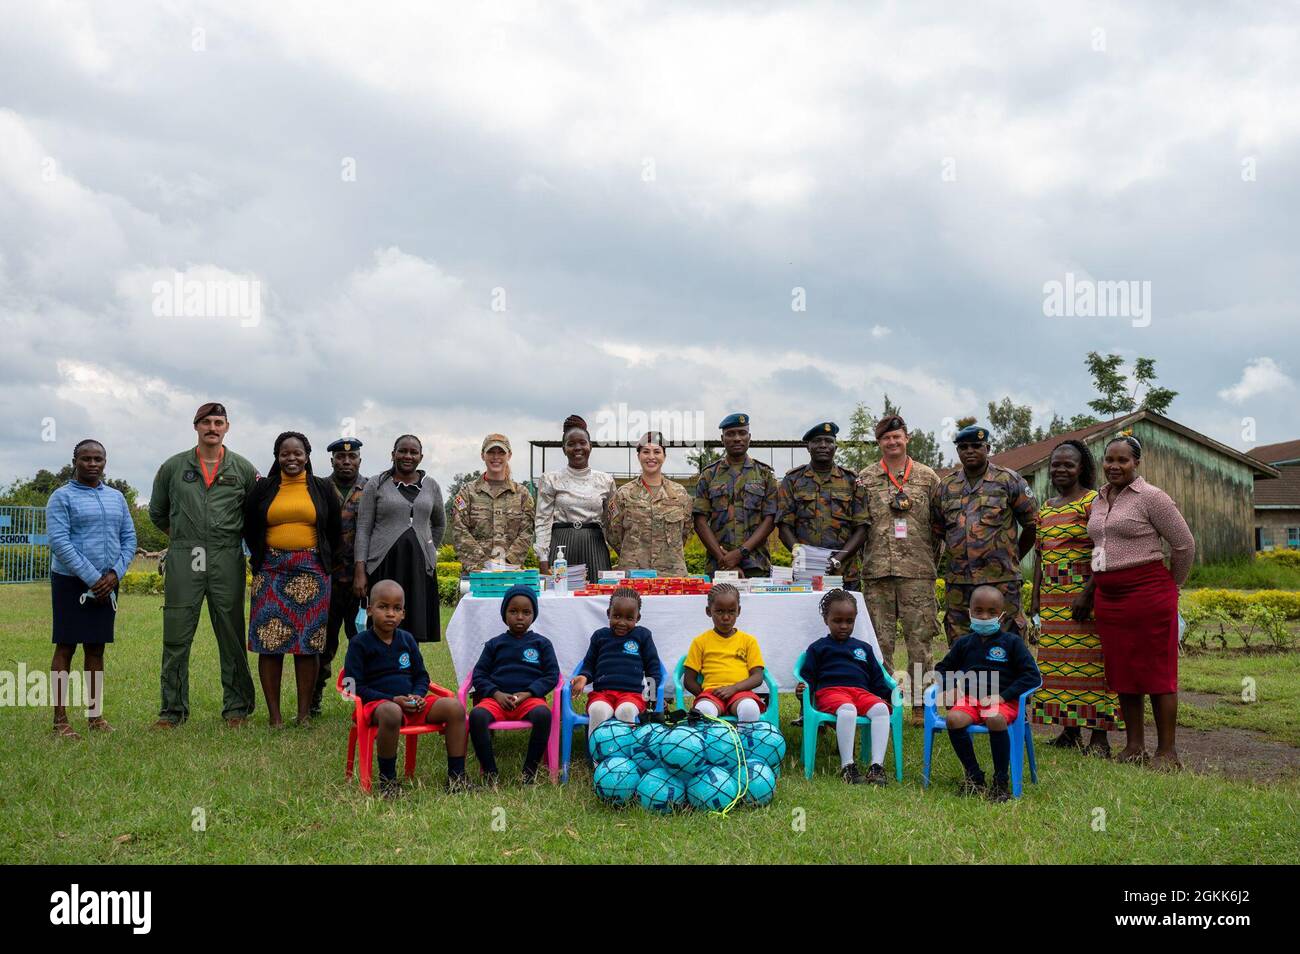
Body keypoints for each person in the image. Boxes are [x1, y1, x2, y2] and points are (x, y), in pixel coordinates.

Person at [1088, 434, 1194, 772]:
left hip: (1148, 594)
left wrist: (1172, 586)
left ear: (1137, 463)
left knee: (1157, 672)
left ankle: (1167, 752)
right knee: (1123, 670)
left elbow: (1184, 545)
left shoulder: (1152, 498)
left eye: (1122, 460)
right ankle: (1134, 746)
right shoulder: (1099, 500)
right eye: (1109, 460)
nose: (1114, 466)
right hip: (1109, 598)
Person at [149, 402, 259, 728]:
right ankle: (172, 711)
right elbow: (158, 512)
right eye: (206, 422)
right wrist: (185, 538)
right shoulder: (173, 467)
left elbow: (254, 516)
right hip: (186, 556)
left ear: (227, 427)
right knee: (176, 634)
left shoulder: (241, 468)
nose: (212, 427)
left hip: (227, 555)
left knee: (231, 632)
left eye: (219, 422)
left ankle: (237, 708)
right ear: (195, 426)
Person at [243, 431, 342, 727]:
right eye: (285, 454)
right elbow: (249, 524)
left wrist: (328, 565)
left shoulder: (323, 488)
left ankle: (303, 715)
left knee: (307, 644)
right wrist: (261, 557)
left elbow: (335, 530)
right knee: (269, 642)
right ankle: (275, 717)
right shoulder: (264, 489)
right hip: (271, 570)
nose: (292, 459)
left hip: (312, 569)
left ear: (307, 456)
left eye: (297, 453)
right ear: (277, 457)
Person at [1029, 440, 1121, 756]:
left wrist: (1088, 592)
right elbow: (1041, 555)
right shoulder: (1047, 507)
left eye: (1068, 464)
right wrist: (1036, 598)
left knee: (1091, 667)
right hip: (1053, 601)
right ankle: (1070, 732)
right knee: (1058, 667)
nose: (1061, 470)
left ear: (1082, 467)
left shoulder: (1093, 502)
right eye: (1056, 464)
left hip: (1085, 597)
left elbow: (1103, 549)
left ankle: (1099, 739)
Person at [343, 579, 470, 797]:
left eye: (397, 608)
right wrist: (392, 700)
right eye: (383, 607)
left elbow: (421, 676)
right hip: (380, 706)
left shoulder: (407, 640)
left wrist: (418, 695)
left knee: (455, 708)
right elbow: (353, 686)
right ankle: (389, 783)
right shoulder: (359, 643)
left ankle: (457, 778)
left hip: (412, 703)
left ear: (403, 613)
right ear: (370, 610)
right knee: (392, 712)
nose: (390, 613)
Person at [46, 439, 136, 738]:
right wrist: (91, 578)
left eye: (98, 459)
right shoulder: (61, 497)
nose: (93, 464)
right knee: (66, 646)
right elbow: (60, 542)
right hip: (72, 583)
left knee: (96, 649)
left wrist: (114, 573)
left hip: (107, 583)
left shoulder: (116, 497)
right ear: (75, 460)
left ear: (105, 462)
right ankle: (60, 720)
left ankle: (95, 716)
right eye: (86, 459)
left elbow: (129, 538)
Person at [856, 414, 941, 725]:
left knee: (920, 640)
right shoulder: (864, 479)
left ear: (907, 438)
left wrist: (929, 560)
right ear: (879, 443)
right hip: (877, 571)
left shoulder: (928, 477)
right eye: (886, 438)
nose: (892, 442)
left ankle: (921, 703)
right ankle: (884, 699)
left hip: (917, 571)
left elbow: (939, 525)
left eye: (897, 437)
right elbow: (859, 525)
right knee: (879, 641)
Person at [934, 585, 1042, 802]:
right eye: (979, 611)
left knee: (994, 717)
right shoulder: (963, 643)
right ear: (970, 613)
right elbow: (941, 669)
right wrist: (952, 686)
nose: (984, 616)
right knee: (954, 719)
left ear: (1001, 616)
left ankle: (1001, 782)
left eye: (991, 612)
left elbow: (1032, 676)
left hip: (1003, 700)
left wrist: (1003, 696)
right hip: (970, 699)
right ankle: (974, 776)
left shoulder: (1012, 643)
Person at [931, 423, 1037, 640]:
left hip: (1002, 580)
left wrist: (1015, 554)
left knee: (1008, 639)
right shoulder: (945, 486)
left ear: (988, 448)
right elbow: (938, 529)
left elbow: (1033, 524)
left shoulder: (1009, 480)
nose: (969, 451)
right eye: (963, 447)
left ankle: (1007, 676)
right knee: (960, 641)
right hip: (960, 582)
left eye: (976, 446)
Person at [353, 435, 445, 643]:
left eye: (413, 452)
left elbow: (439, 524)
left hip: (418, 568)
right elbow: (364, 529)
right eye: (402, 451)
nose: (408, 456)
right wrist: (360, 569)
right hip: (384, 565)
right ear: (393, 454)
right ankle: (382, 670)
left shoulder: (431, 486)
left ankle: (408, 669)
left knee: (413, 627)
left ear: (421, 457)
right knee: (382, 626)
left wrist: (428, 550)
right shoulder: (376, 484)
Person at [796, 589, 892, 785]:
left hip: (861, 693)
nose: (843, 626)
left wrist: (892, 695)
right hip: (831, 693)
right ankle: (847, 766)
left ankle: (876, 767)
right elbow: (808, 678)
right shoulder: (819, 648)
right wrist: (802, 692)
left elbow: (877, 678)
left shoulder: (864, 648)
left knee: (882, 709)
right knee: (847, 711)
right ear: (826, 620)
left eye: (849, 621)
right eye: (837, 621)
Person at [468, 585, 560, 785]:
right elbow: (479, 675)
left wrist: (528, 693)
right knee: (476, 716)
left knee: (544, 715)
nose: (520, 617)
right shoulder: (494, 644)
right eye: (513, 611)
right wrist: (496, 694)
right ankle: (490, 773)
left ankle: (529, 772)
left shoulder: (542, 644)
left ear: (533, 615)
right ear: (504, 615)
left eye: (526, 612)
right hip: (497, 700)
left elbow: (552, 675)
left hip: (529, 699)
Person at [311, 437, 368, 716]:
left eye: (352, 457)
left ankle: (360, 700)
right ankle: (313, 700)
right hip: (326, 579)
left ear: (359, 460)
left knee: (360, 642)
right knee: (323, 643)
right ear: (332, 460)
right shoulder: (319, 487)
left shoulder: (370, 489)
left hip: (361, 582)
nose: (347, 462)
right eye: (341, 458)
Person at [777, 422, 869, 587]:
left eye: (828, 441)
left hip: (845, 573)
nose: (823, 446)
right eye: (817, 441)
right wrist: (804, 559)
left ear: (835, 447)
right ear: (808, 446)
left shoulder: (851, 481)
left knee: (845, 613)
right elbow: (784, 527)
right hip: (805, 572)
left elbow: (861, 529)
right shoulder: (792, 480)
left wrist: (836, 561)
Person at [692, 412, 778, 577]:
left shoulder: (765, 474)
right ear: (722, 439)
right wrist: (723, 559)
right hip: (719, 564)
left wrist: (740, 553)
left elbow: (770, 519)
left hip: (757, 564)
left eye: (742, 433)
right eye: (730, 434)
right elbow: (700, 522)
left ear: (749, 437)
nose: (737, 438)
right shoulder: (709, 475)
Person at [535, 415, 615, 583]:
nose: (577, 448)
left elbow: (611, 523)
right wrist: (543, 559)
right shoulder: (550, 479)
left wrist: (617, 553)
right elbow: (543, 520)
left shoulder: (605, 481)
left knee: (598, 598)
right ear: (564, 449)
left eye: (582, 443)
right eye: (571, 444)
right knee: (558, 598)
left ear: (590, 446)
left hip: (595, 546)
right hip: (560, 547)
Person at [570, 587, 663, 732]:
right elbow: (589, 664)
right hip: (602, 694)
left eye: (629, 618)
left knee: (626, 711)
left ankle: (625, 750)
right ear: (609, 613)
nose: (622, 622)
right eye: (617, 616)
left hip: (631, 695)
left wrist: (653, 696)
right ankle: (598, 751)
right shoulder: (600, 636)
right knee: (598, 710)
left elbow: (653, 669)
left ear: (637, 618)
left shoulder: (643, 636)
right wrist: (583, 677)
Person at [604, 430, 692, 575]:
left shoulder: (680, 494)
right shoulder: (623, 494)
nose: (651, 457)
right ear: (638, 456)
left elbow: (685, 531)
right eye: (646, 452)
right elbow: (613, 533)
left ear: (664, 456)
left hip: (671, 573)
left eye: (657, 452)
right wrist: (633, 554)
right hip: (634, 572)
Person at [682, 582, 767, 722]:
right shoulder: (700, 642)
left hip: (741, 693)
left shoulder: (748, 641)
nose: (726, 617)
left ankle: (745, 742)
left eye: (731, 611)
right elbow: (689, 680)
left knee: (750, 709)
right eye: (720, 611)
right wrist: (707, 695)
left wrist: (734, 689)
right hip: (712, 694)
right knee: (704, 711)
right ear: (709, 611)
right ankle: (713, 743)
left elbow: (757, 677)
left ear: (738, 611)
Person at [451, 434, 535, 572]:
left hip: (511, 573)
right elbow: (459, 530)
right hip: (476, 574)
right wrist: (484, 565)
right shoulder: (467, 493)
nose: (496, 457)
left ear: (509, 455)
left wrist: (508, 563)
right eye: (491, 452)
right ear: (482, 455)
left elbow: (527, 532)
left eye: (501, 452)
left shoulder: (522, 494)